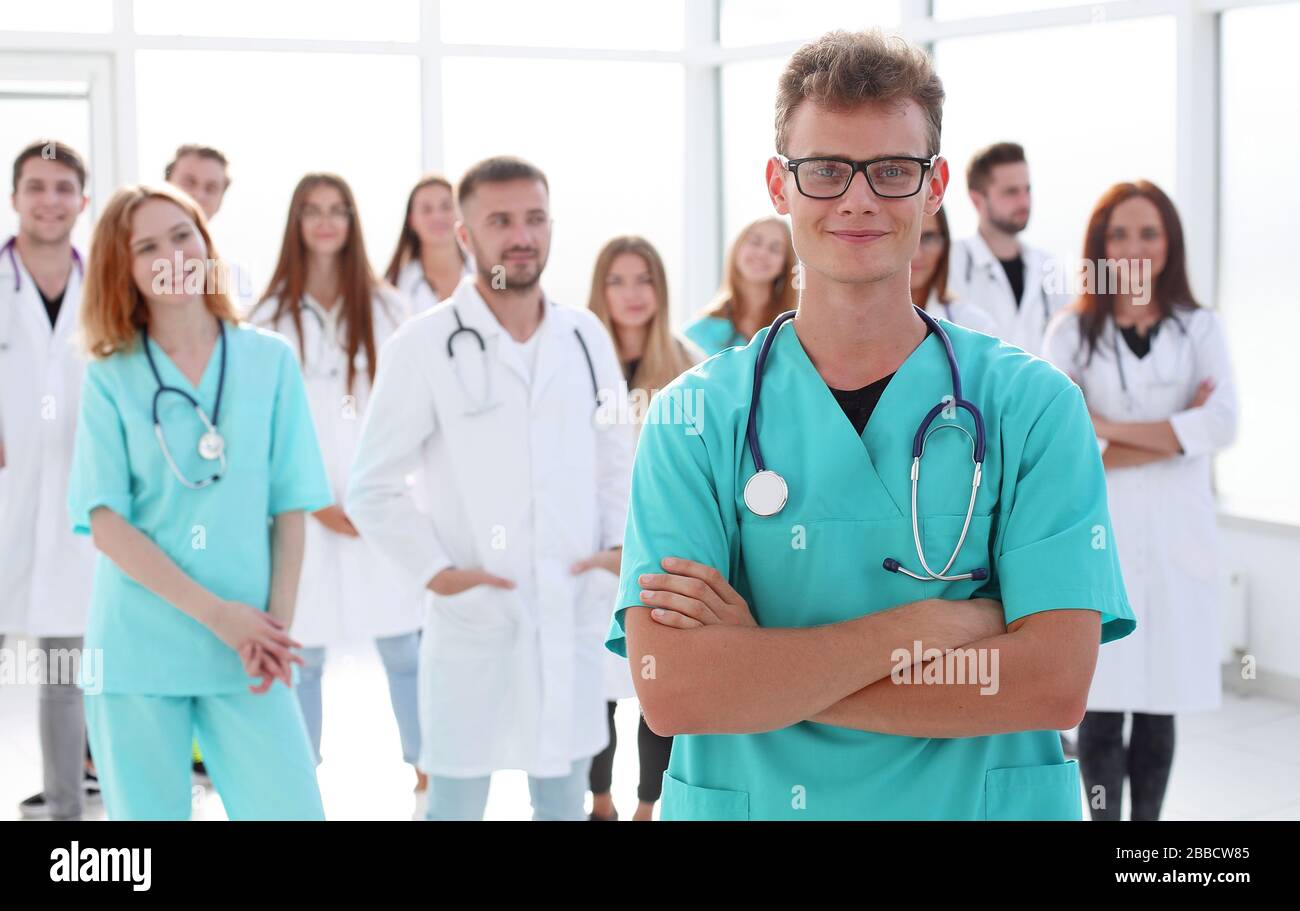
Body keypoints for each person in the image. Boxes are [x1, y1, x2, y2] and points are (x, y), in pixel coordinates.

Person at [605, 29, 1135, 821]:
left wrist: (760, 672)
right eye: (824, 171)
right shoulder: (693, 418)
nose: (858, 199)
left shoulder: (1032, 407)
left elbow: (1050, 683)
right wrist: (934, 622)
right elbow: (675, 690)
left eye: (893, 171)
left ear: (935, 186)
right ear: (780, 187)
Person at [347, 156, 634, 821]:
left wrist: (615, 547)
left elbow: (617, 458)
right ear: (465, 235)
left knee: (564, 795)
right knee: (453, 799)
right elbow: (373, 487)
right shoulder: (423, 344)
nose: (521, 235)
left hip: (570, 603)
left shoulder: (585, 336)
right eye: (500, 220)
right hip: (476, 614)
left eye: (534, 218)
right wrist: (439, 573)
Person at [67, 182, 331, 820]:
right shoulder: (111, 374)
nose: (172, 256)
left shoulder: (269, 361)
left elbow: (290, 509)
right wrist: (222, 619)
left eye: (182, 235)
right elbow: (106, 523)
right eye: (147, 246)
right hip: (140, 646)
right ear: (122, 268)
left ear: (205, 243)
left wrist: (273, 629)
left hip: (250, 650)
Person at [1043, 180, 1238, 821]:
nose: (1134, 246)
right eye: (1119, 233)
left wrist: (1111, 428)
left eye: (1148, 232)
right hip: (1101, 540)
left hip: (1179, 541)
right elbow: (1068, 441)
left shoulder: (1198, 327)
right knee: (1099, 702)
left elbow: (1223, 424)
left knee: (1161, 700)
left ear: (1169, 243)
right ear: (1099, 245)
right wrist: (1178, 431)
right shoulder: (1070, 332)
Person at [249, 173, 424, 810]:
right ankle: (302, 774)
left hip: (377, 501)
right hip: (302, 507)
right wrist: (317, 500)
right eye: (312, 211)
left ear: (352, 223)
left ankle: (426, 768)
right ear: (295, 223)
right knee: (306, 650)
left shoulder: (387, 310)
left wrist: (376, 495)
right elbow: (262, 423)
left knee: (403, 643)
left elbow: (410, 411)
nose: (325, 223)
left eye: (338, 211)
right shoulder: (265, 320)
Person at [584, 235, 703, 821]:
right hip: (589, 553)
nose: (632, 295)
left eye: (644, 280)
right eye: (617, 281)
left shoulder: (689, 365)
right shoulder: (576, 362)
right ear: (599, 290)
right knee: (598, 689)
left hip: (659, 552)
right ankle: (598, 802)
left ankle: (646, 808)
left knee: (657, 684)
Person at [0, 139, 99, 819]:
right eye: (36, 186)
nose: (49, 199)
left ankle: (67, 818)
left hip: (74, 509)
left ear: (82, 202)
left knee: (66, 678)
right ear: (14, 198)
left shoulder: (106, 292)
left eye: (63, 187)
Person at [946, 142, 1069, 354]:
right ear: (977, 200)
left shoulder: (1048, 267)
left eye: (1027, 190)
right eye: (1011, 192)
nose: (1024, 201)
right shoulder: (950, 264)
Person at [683, 216, 797, 356]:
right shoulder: (697, 333)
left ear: (785, 264)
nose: (762, 253)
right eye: (755, 242)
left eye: (775, 249)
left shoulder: (795, 330)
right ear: (737, 248)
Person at [164, 144, 256, 311]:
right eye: (189, 182)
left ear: (221, 199)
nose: (199, 195)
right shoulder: (140, 262)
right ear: (166, 185)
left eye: (211, 188)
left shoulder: (236, 279)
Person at [384, 174, 472, 314]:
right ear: (411, 220)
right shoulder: (393, 285)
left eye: (446, 206)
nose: (437, 217)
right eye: (426, 209)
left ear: (461, 212)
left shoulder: (495, 272)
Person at [909, 207, 995, 334]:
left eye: (928, 238)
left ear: (945, 245)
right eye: (906, 238)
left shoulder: (975, 326)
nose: (916, 255)